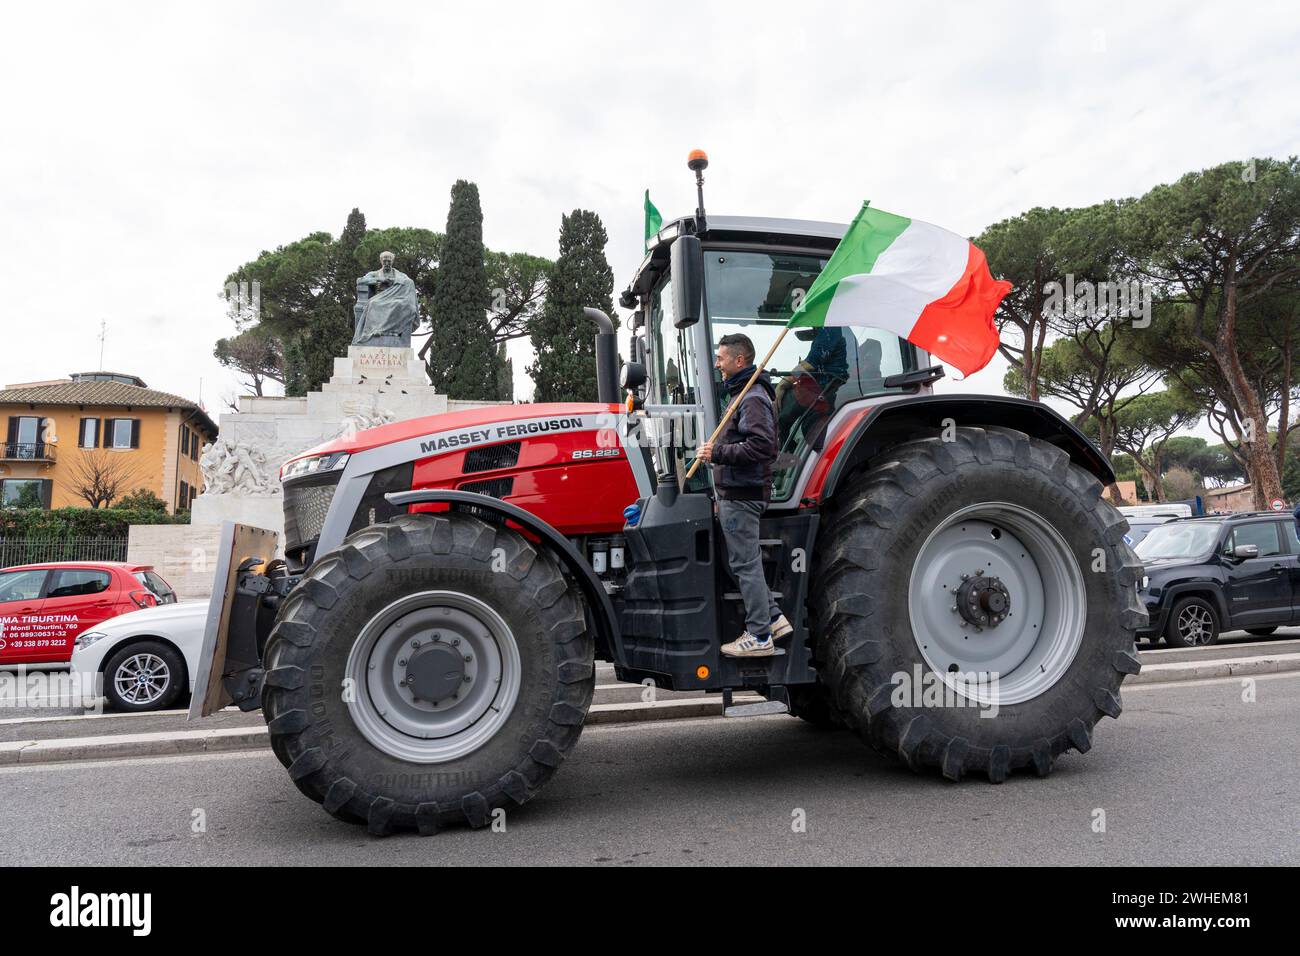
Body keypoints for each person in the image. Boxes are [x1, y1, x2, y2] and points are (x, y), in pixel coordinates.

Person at [697, 333, 793, 657]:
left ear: (740, 360)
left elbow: (763, 446)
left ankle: (760, 637)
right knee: (740, 561)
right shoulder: (745, 394)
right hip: (736, 494)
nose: (717, 363)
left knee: (746, 565)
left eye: (721, 358)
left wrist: (718, 453)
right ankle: (774, 619)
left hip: (742, 495)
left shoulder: (751, 397)